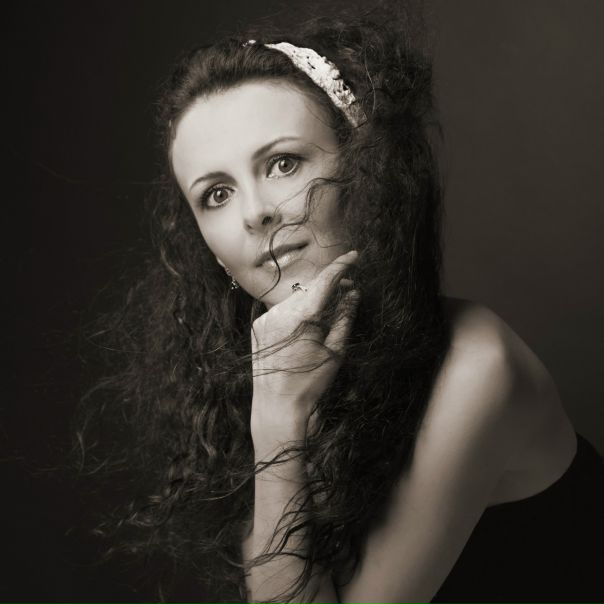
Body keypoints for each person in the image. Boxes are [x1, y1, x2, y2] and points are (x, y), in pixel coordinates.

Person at [78, 6, 604, 603]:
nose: (255, 213)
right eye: (217, 194)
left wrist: (278, 418)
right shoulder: (277, 365)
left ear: (365, 170)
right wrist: (276, 408)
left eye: (283, 163)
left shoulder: (478, 368)